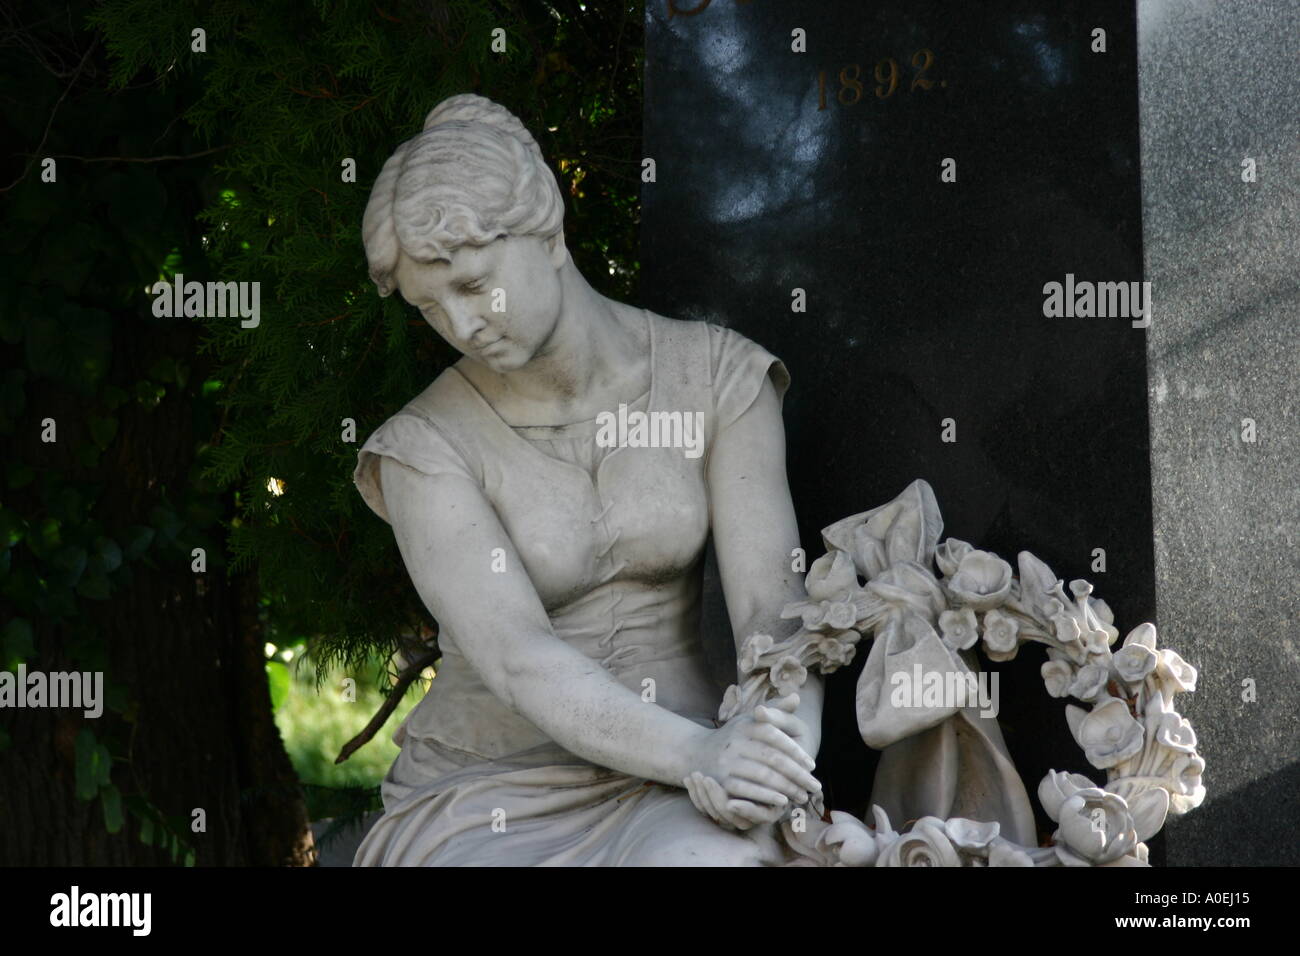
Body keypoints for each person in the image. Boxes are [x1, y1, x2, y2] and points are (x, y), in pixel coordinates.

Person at [351, 94, 822, 865]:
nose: (461, 326)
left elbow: (775, 605)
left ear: (547, 230)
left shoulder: (718, 378)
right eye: (429, 307)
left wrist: (779, 747)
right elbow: (517, 655)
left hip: (678, 780)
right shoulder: (422, 448)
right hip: (487, 790)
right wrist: (701, 757)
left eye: (472, 285)